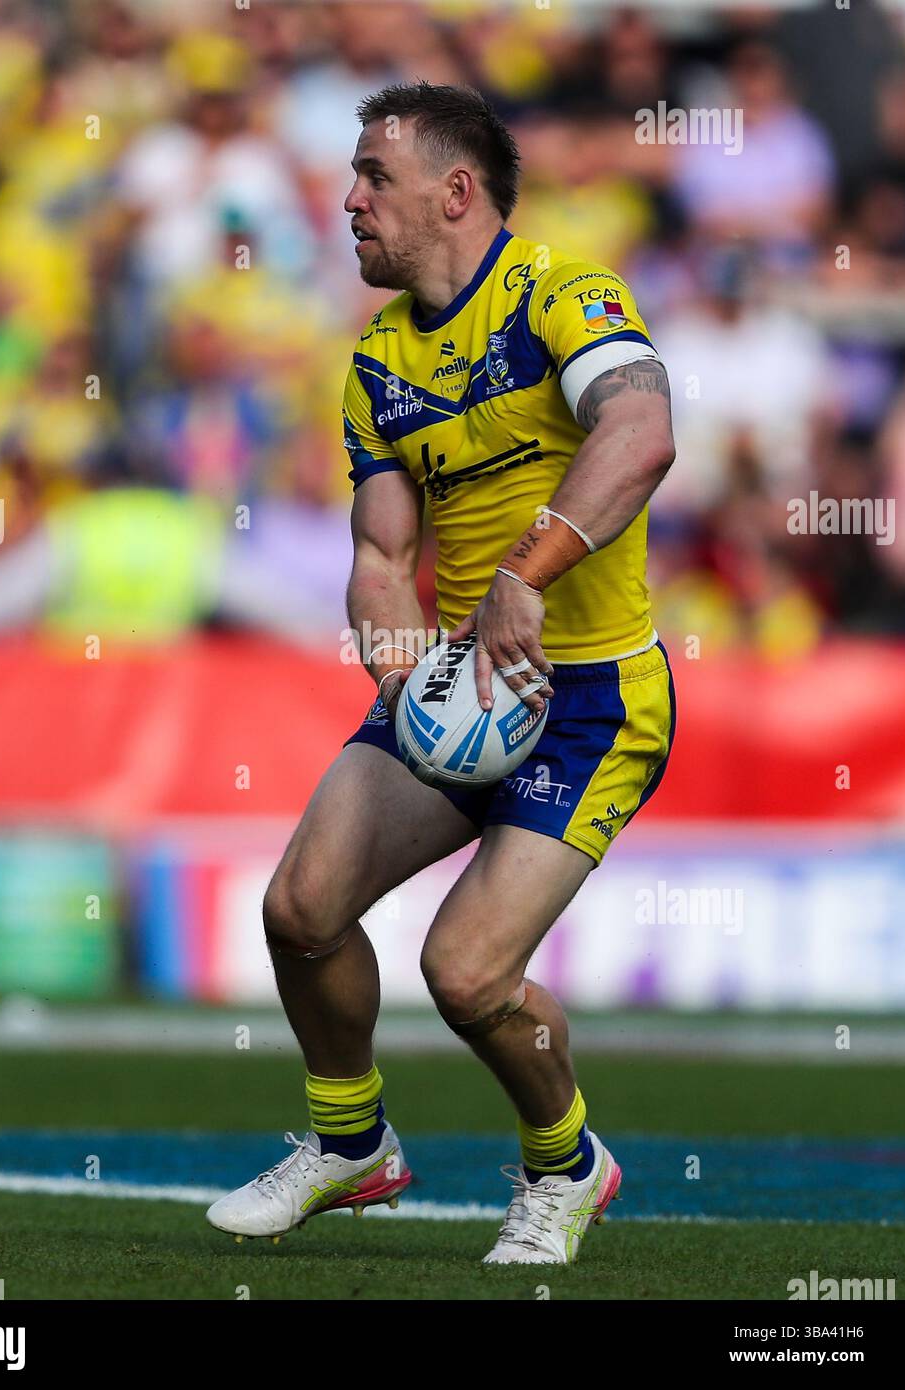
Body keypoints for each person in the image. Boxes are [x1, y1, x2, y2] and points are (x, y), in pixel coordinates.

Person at [207, 82, 677, 1265]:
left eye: (372, 177)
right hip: (460, 685)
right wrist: (392, 650)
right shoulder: (376, 362)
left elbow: (640, 434)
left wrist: (523, 573)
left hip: (589, 698)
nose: (349, 200)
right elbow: (380, 556)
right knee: (299, 909)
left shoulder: (561, 297)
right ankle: (350, 1141)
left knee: (465, 973)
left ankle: (566, 1164)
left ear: (453, 191)